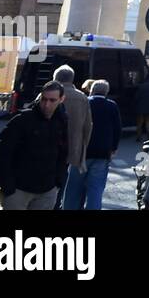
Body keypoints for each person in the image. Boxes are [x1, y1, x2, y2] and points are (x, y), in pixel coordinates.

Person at [0, 81, 68, 210]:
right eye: (44, 99)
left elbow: (63, 152)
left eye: (52, 100)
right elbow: (2, 153)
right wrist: (7, 185)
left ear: (61, 99)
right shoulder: (22, 120)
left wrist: (58, 181)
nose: (47, 104)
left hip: (46, 189)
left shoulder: (61, 121)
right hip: (18, 189)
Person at [54, 65, 93, 210]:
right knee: (65, 181)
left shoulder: (48, 94)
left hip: (48, 147)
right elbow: (88, 126)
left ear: (56, 78)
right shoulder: (82, 98)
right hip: (72, 148)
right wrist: (83, 147)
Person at [78, 80, 121, 210]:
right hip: (103, 151)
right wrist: (113, 147)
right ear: (106, 92)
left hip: (83, 150)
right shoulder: (112, 105)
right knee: (96, 187)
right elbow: (117, 128)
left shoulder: (85, 103)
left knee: (75, 185)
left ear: (91, 90)